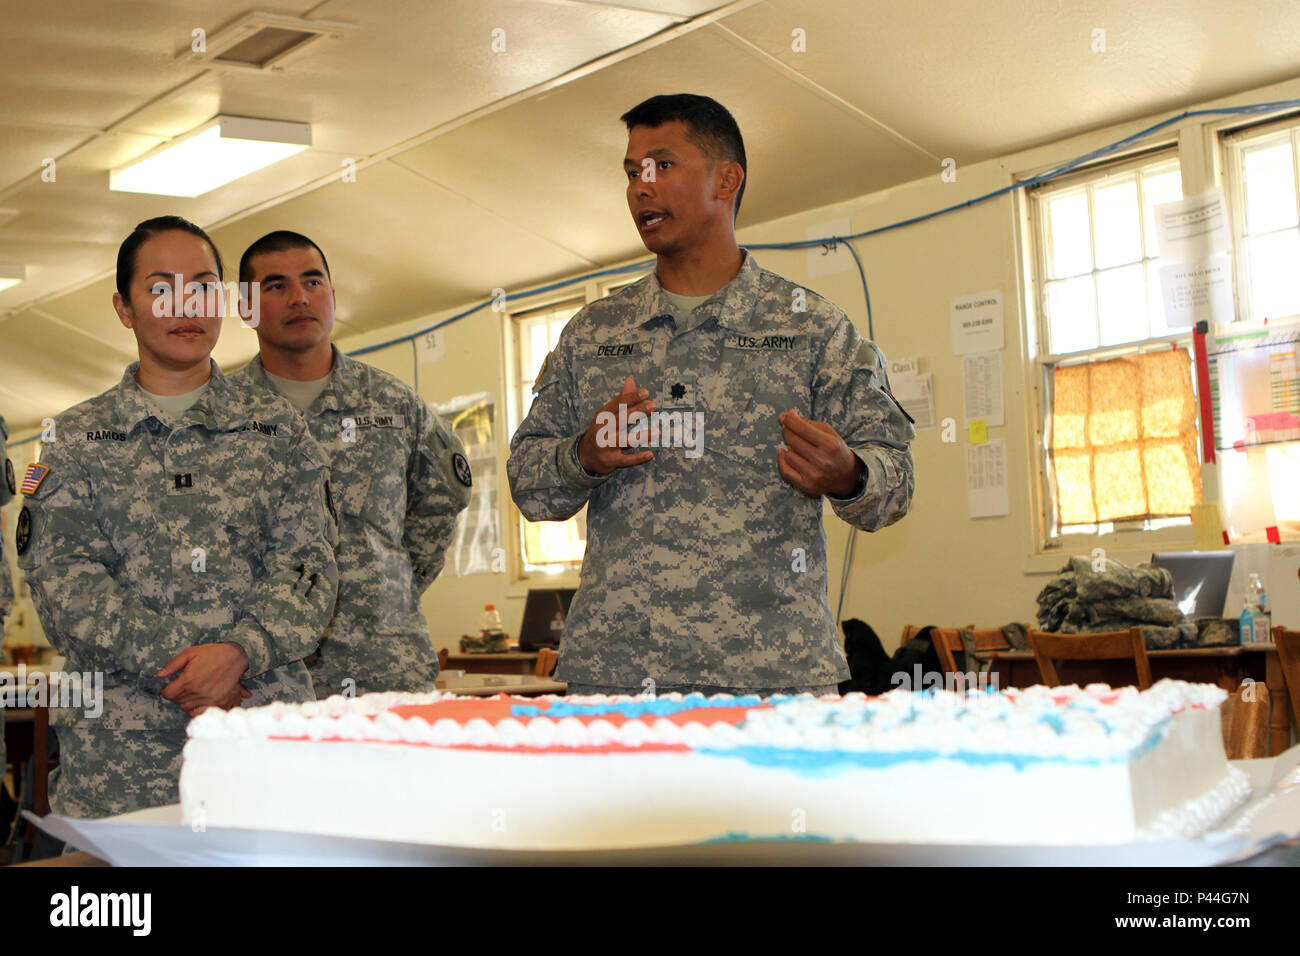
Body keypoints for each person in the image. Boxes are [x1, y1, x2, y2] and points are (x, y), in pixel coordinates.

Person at [508, 94, 915, 696]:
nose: (640, 189)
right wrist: (583, 457)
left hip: (773, 676)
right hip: (620, 676)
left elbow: (895, 482)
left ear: (727, 179)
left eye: (661, 166)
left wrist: (848, 473)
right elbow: (528, 485)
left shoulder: (809, 326)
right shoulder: (593, 333)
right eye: (630, 173)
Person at [16, 216, 338, 819]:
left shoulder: (280, 433)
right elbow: (63, 581)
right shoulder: (77, 440)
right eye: (161, 288)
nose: (186, 304)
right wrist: (191, 666)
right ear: (124, 307)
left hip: (260, 741)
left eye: (204, 285)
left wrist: (241, 651)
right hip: (119, 757)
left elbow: (309, 568)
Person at [231, 231, 471, 698]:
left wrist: (386, 587)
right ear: (246, 308)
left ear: (333, 297)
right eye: (276, 286)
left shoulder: (393, 403)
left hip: (383, 667)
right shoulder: (222, 415)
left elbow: (442, 502)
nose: (300, 298)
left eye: (313, 282)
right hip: (262, 677)